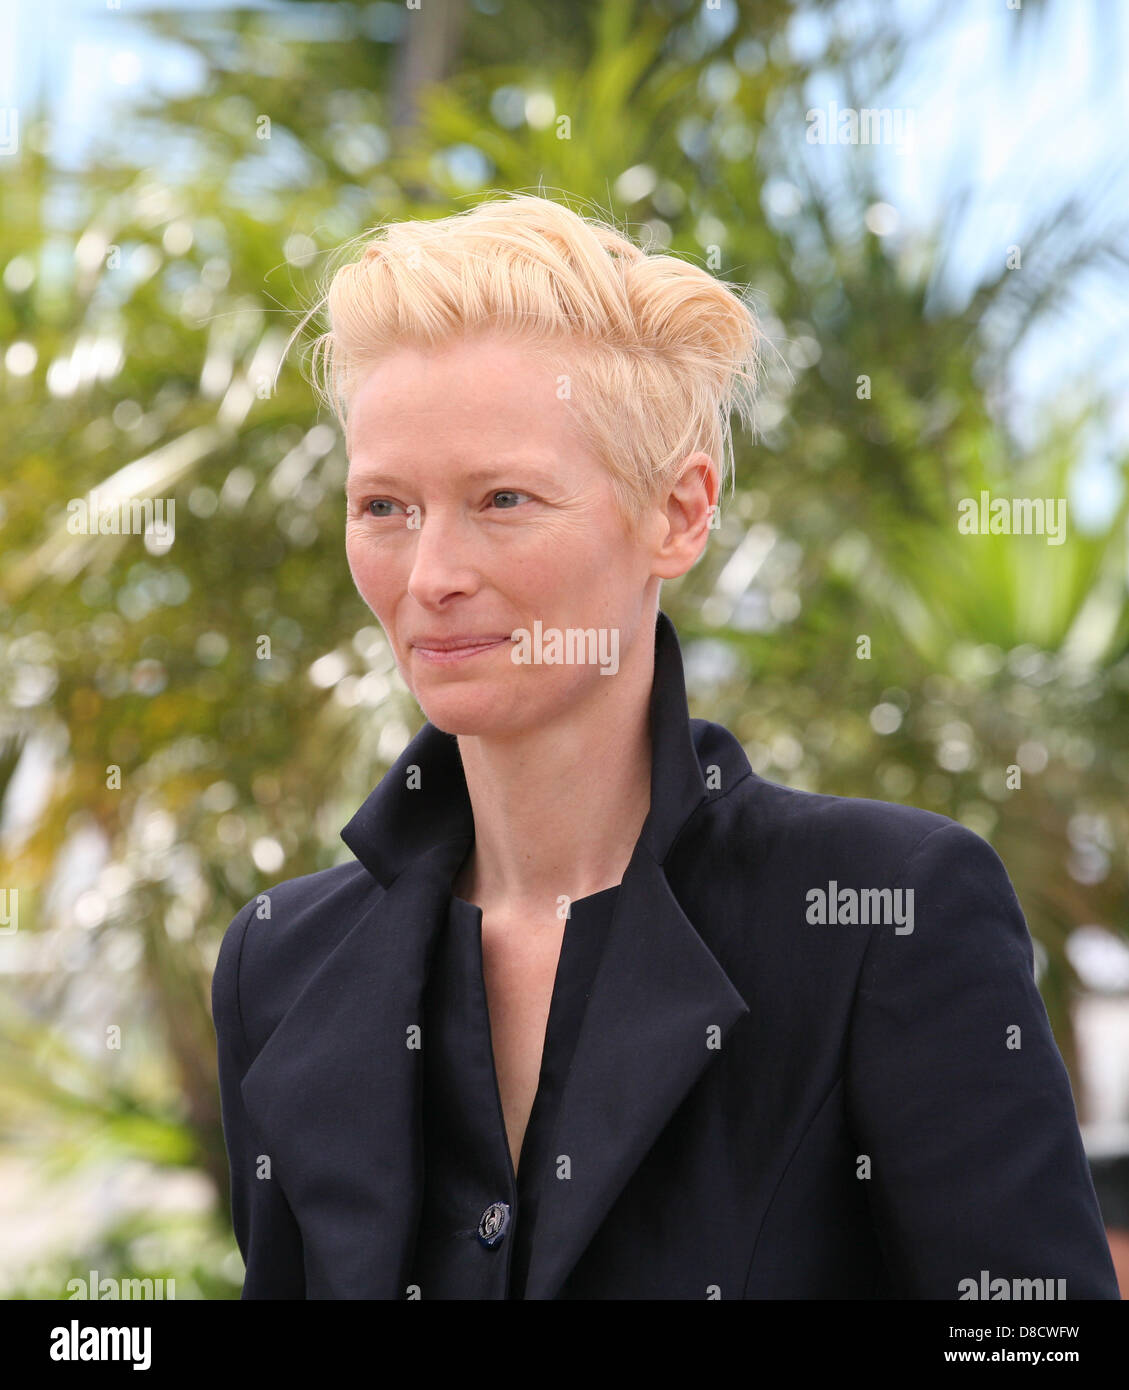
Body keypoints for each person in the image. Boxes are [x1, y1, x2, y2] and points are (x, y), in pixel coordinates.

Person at [211, 192, 1119, 1300]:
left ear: (679, 514)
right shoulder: (279, 963)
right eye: (384, 507)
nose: (429, 574)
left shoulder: (888, 913)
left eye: (502, 498)